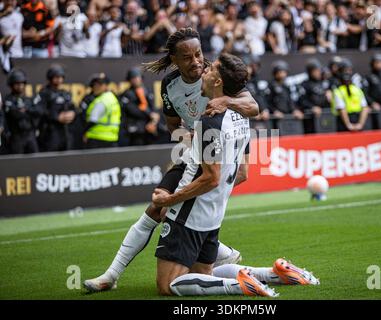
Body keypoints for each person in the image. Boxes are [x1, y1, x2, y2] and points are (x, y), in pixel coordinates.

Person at [83, 28, 259, 292]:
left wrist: (226, 102)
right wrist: (186, 137)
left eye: (198, 54)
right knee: (158, 206)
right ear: (175, 60)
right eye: (187, 57)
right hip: (194, 152)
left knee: (174, 206)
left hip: (222, 145)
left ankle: (223, 253)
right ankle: (111, 275)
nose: (196, 62)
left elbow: (254, 107)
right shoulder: (170, 86)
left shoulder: (217, 76)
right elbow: (172, 125)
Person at [152, 53, 319, 297]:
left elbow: (211, 177)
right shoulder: (239, 116)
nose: (204, 72)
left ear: (218, 82)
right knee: (204, 274)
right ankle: (274, 274)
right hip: (214, 213)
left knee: (167, 285)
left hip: (189, 213)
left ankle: (238, 285)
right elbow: (242, 172)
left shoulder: (209, 121)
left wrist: (170, 200)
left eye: (210, 70)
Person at [34, 65, 76, 152]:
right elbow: (39, 111)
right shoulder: (44, 93)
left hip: (65, 131)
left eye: (61, 77)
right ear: (50, 78)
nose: (59, 80)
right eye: (56, 77)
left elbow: (73, 108)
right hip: (50, 132)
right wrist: (56, 117)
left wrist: (72, 113)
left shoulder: (65, 93)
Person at [120, 67, 161, 146]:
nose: (136, 80)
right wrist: (149, 114)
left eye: (137, 77)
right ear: (129, 80)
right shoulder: (127, 94)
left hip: (150, 129)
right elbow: (132, 110)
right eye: (133, 78)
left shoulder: (147, 91)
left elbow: (154, 108)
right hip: (136, 130)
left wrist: (153, 122)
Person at [3, 69, 40, 154]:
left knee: (35, 160)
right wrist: (28, 111)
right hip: (16, 136)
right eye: (17, 84)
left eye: (22, 83)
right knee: (17, 162)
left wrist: (26, 110)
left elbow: (38, 112)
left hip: (30, 134)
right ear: (11, 85)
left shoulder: (29, 99)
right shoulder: (8, 100)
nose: (20, 86)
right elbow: (15, 114)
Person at [84, 73, 121, 149]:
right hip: (112, 137)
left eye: (98, 85)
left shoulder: (101, 101)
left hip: (97, 138)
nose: (95, 87)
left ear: (105, 86)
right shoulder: (112, 97)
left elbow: (93, 120)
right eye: (94, 85)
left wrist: (85, 132)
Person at [331, 59, 370, 132]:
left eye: (349, 70)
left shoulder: (357, 89)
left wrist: (360, 124)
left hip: (358, 120)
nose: (347, 73)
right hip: (343, 123)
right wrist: (348, 125)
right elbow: (341, 109)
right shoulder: (337, 90)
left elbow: (365, 108)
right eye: (345, 70)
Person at [299, 58, 331, 133]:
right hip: (311, 118)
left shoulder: (324, 83)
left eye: (319, 70)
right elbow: (302, 100)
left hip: (325, 116)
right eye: (316, 71)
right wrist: (312, 107)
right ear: (310, 72)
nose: (319, 72)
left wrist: (330, 93)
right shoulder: (305, 84)